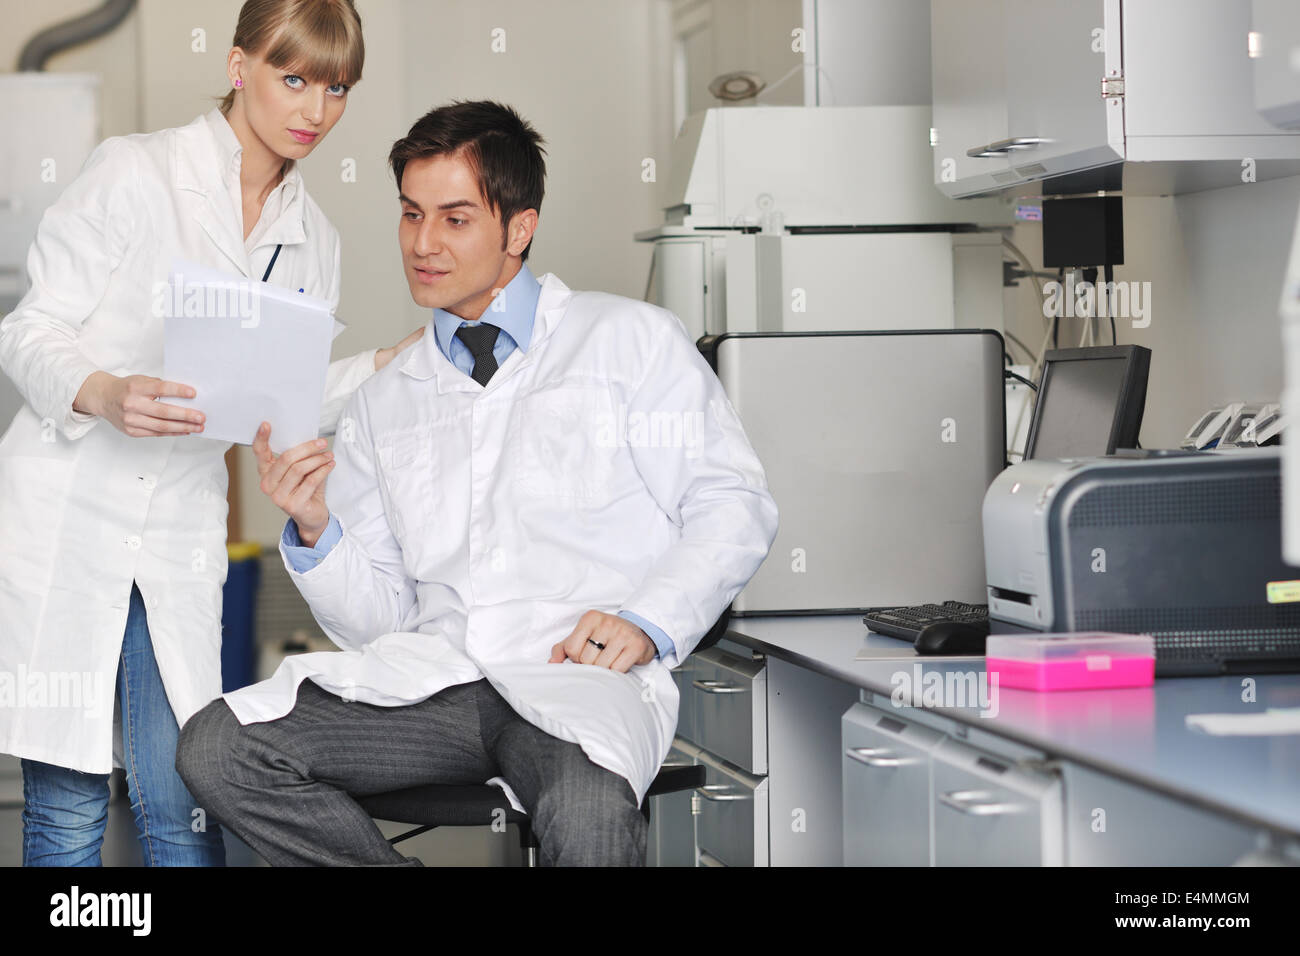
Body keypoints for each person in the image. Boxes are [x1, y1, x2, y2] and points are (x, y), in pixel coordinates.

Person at [176, 100, 780, 866]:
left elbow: (733, 505)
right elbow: (380, 619)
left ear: (518, 228)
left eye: (455, 219)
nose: (423, 244)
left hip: (575, 683)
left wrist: (649, 622)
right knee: (218, 749)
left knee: (587, 812)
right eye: (410, 215)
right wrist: (313, 527)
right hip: (438, 688)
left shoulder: (628, 342)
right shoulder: (382, 402)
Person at [0, 0, 423, 866]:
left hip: (178, 529)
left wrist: (391, 361)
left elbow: (284, 398)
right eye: (293, 78)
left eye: (336, 88)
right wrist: (105, 390)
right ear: (239, 67)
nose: (315, 110)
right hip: (68, 507)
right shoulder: (134, 173)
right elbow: (28, 330)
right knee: (70, 808)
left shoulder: (317, 240)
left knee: (184, 796)